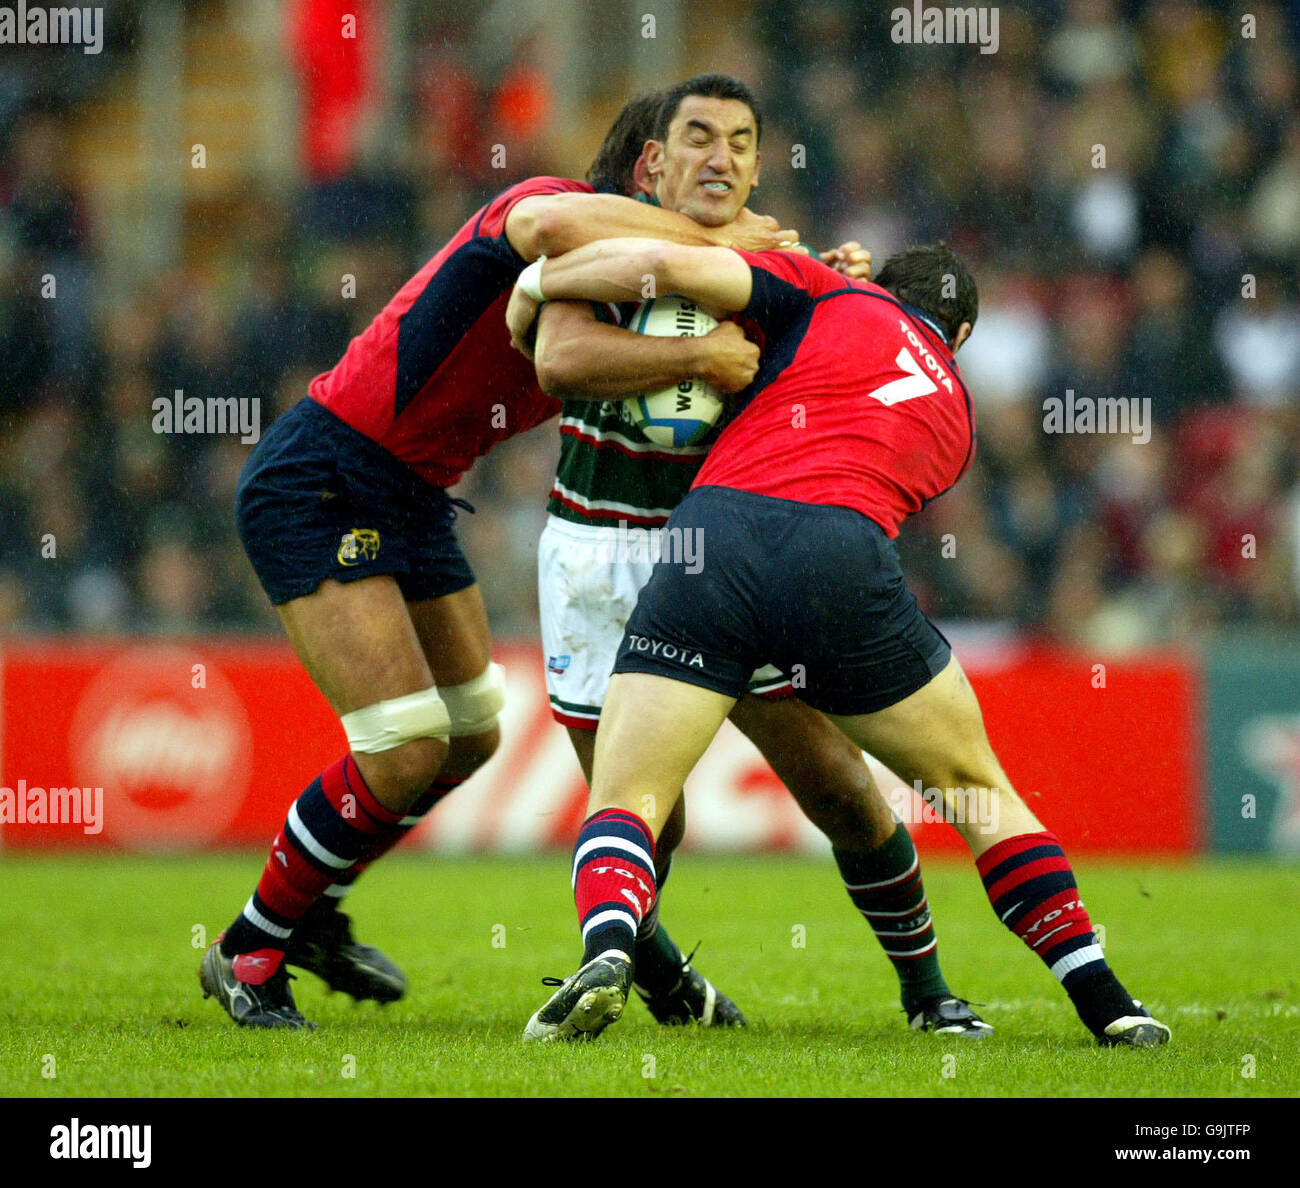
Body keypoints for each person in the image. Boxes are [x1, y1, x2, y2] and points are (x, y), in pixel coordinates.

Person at [507, 234, 1172, 1049]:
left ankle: (608, 949)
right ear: (959, 339)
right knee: (975, 788)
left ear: (881, 285)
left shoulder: (826, 292)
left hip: (707, 544)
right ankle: (1108, 1003)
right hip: (841, 559)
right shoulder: (957, 418)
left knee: (628, 799)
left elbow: (677, 272)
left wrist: (538, 278)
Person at [199, 137, 798, 1029]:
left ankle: (310, 904)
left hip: (412, 495)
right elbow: (553, 224)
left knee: (473, 733)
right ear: (642, 173)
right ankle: (249, 947)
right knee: (402, 746)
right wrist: (732, 249)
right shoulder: (550, 210)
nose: (719, 196)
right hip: (327, 476)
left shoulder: (641, 296)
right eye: (693, 158)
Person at [533, 76, 990, 1035]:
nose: (721, 158)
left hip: (727, 555)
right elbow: (559, 363)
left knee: (840, 788)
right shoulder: (596, 243)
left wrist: (846, 288)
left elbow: (839, 363)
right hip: (598, 554)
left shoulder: (780, 263)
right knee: (642, 812)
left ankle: (929, 993)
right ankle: (656, 985)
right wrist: (698, 358)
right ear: (654, 163)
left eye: (740, 142)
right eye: (698, 137)